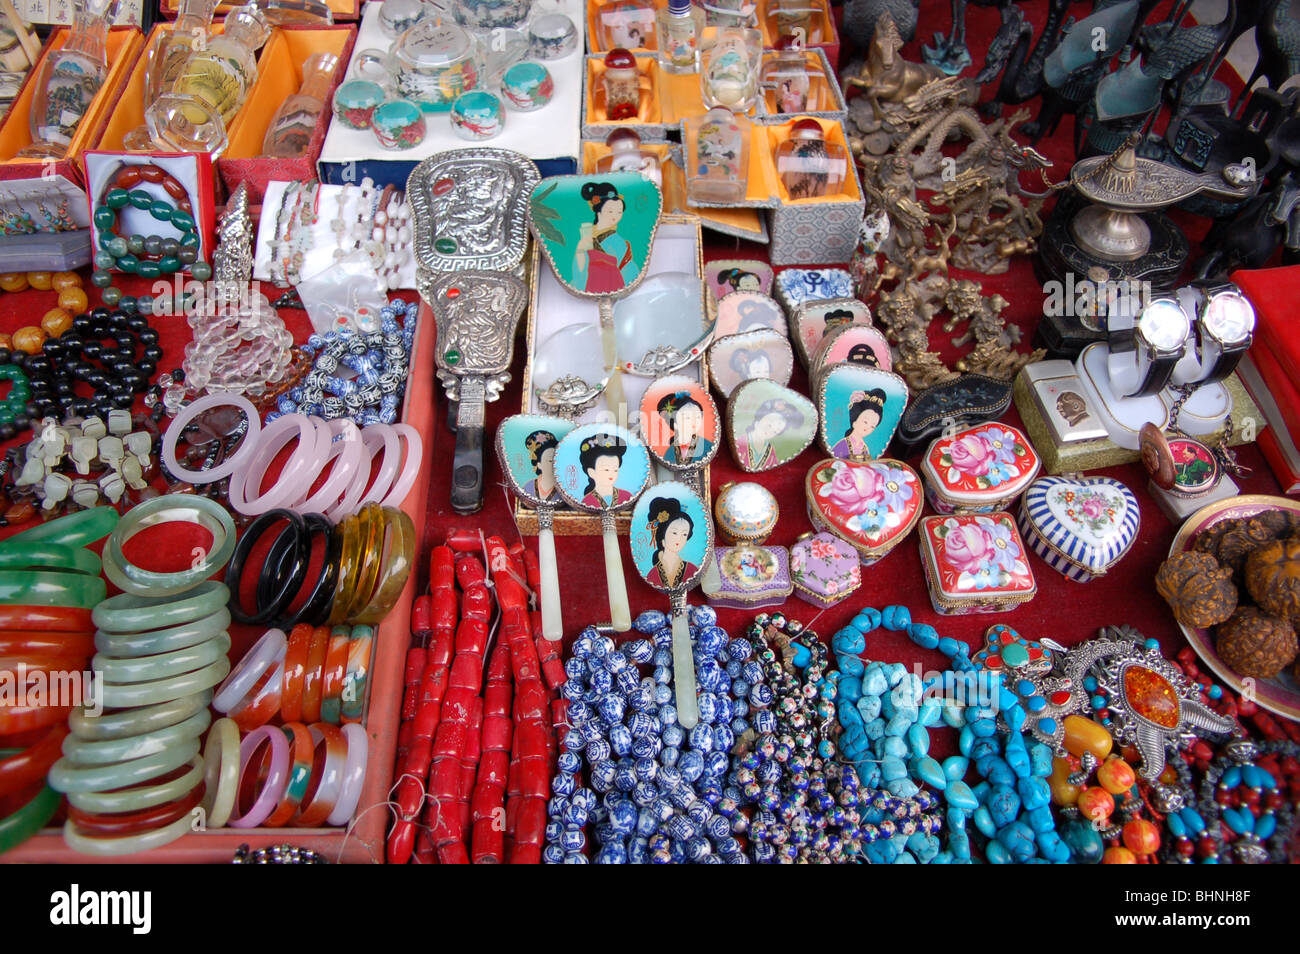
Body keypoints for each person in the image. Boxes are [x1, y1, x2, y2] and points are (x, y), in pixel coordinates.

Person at [573, 182, 637, 293]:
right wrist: (581, 248)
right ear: (598, 210)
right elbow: (579, 270)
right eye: (610, 211)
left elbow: (630, 271)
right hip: (591, 283)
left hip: (613, 283)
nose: (615, 216)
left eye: (619, 212)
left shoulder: (618, 241)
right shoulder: (587, 234)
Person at [735, 397, 805, 470]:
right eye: (769, 425)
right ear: (758, 420)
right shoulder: (740, 442)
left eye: (775, 431)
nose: (769, 431)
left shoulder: (770, 451)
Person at [644, 496, 698, 588]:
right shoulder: (652, 574)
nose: (679, 538)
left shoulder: (692, 570)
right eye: (674, 532)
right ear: (662, 535)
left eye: (684, 534)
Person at [656, 390, 713, 465]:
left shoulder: (707, 446)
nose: (694, 421)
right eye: (687, 418)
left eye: (698, 417)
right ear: (675, 424)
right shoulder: (670, 452)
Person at [579, 433, 634, 508]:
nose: (611, 474)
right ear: (591, 472)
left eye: (615, 470)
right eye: (606, 469)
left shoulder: (627, 496)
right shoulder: (587, 502)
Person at [831, 388, 887, 460]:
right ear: (854, 420)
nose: (868, 428)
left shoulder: (864, 448)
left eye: (872, 426)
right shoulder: (842, 445)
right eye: (865, 422)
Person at [522, 430, 560, 503]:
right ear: (539, 464)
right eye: (550, 461)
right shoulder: (528, 487)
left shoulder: (563, 487)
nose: (555, 464)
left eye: (557, 459)